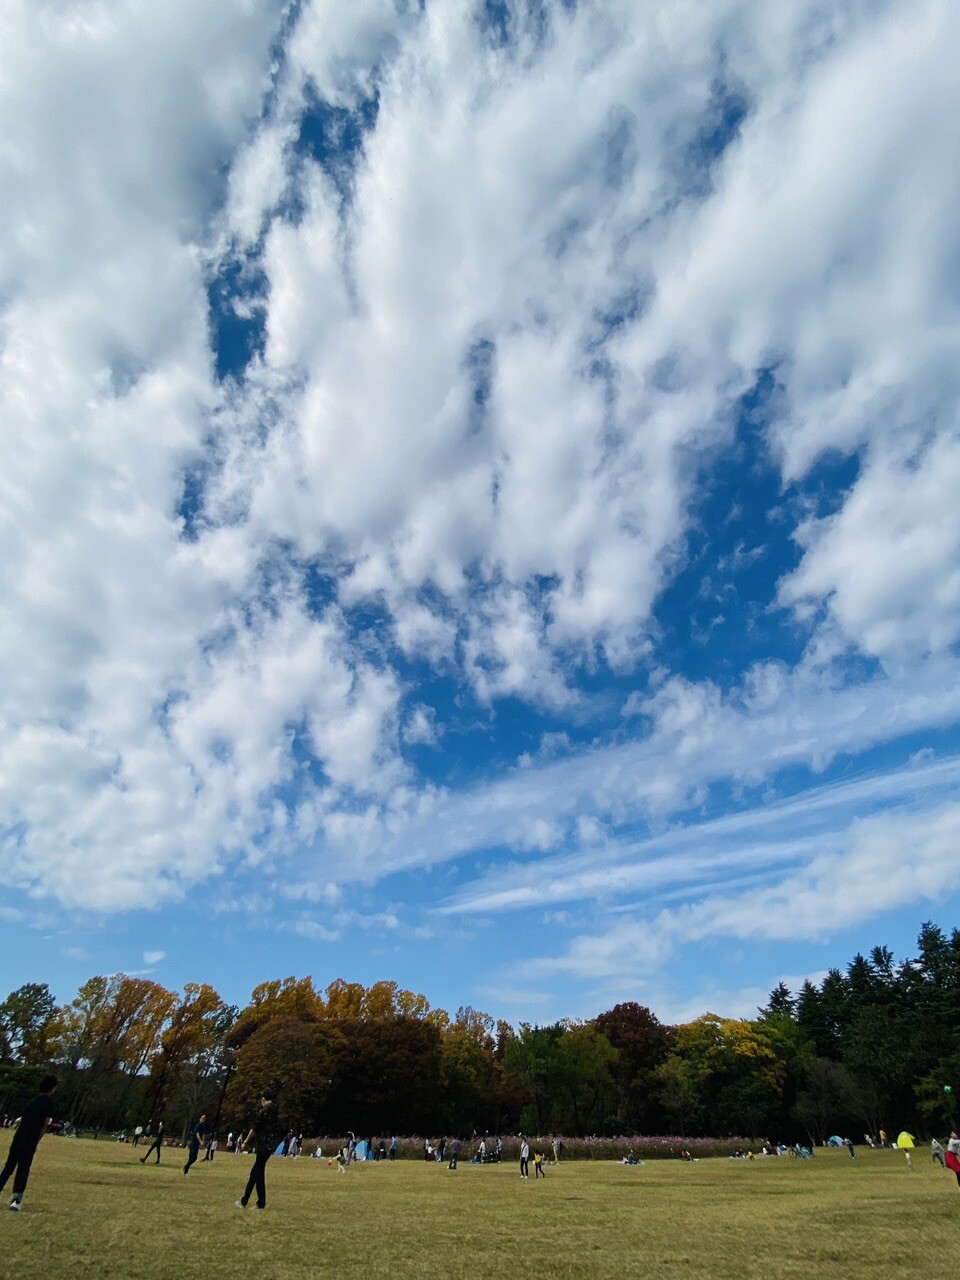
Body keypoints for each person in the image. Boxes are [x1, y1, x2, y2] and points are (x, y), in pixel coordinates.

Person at [0, 1074, 57, 1212]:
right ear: (52, 1088)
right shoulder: (48, 1103)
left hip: (19, 1137)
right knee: (23, 1168)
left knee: (9, 1167)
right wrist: (37, 1139)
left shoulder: (32, 1101)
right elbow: (45, 1124)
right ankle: (16, 1200)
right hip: (30, 1138)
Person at [235, 1091, 282, 1211]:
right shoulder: (276, 1111)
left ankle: (254, 1202)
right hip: (270, 1146)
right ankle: (247, 1201)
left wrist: (245, 1142)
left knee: (257, 1174)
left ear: (263, 1099)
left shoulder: (264, 1111)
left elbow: (254, 1128)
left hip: (263, 1146)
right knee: (256, 1173)